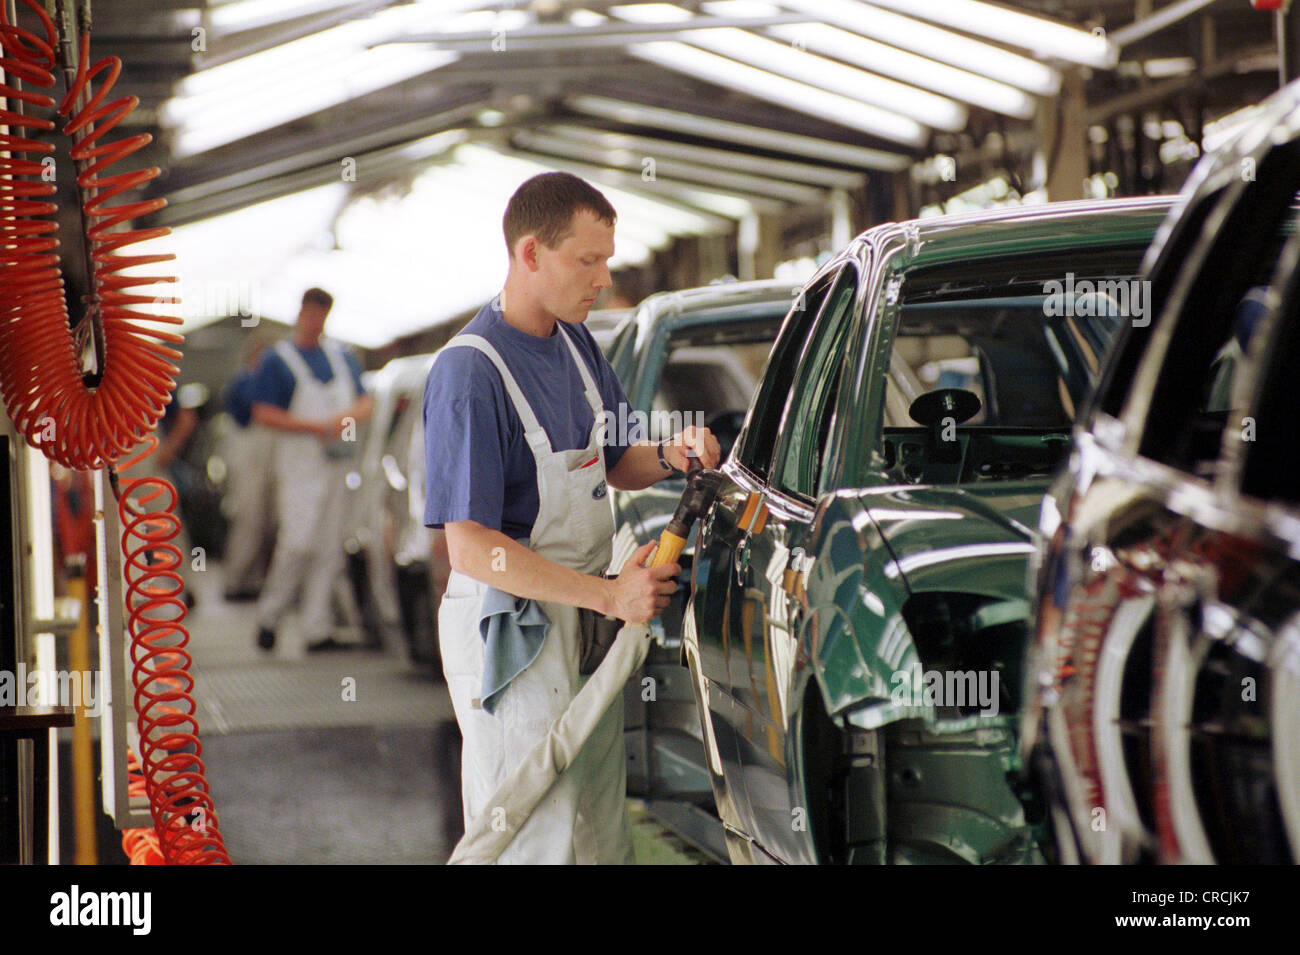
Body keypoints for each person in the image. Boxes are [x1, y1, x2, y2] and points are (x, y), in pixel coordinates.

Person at [422, 172, 720, 864]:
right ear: (530, 253)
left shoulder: (578, 346)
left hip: (583, 622)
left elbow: (615, 461)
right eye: (588, 261)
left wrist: (673, 454)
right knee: (533, 829)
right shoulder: (471, 372)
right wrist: (609, 595)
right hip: (514, 637)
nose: (604, 280)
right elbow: (471, 549)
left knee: (595, 827)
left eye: (607, 260)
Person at [249, 288, 375, 653]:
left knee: (329, 545)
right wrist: (315, 427)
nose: (315, 321)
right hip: (300, 463)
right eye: (311, 313)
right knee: (298, 542)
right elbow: (263, 413)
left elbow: (365, 400)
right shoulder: (278, 360)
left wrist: (344, 420)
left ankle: (316, 627)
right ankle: (269, 614)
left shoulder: (340, 356)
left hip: (337, 461)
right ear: (301, 312)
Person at [220, 334, 278, 602]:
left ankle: (253, 580)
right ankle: (236, 580)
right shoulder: (245, 383)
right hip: (247, 458)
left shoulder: (260, 382)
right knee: (248, 519)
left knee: (263, 522)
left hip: (261, 457)